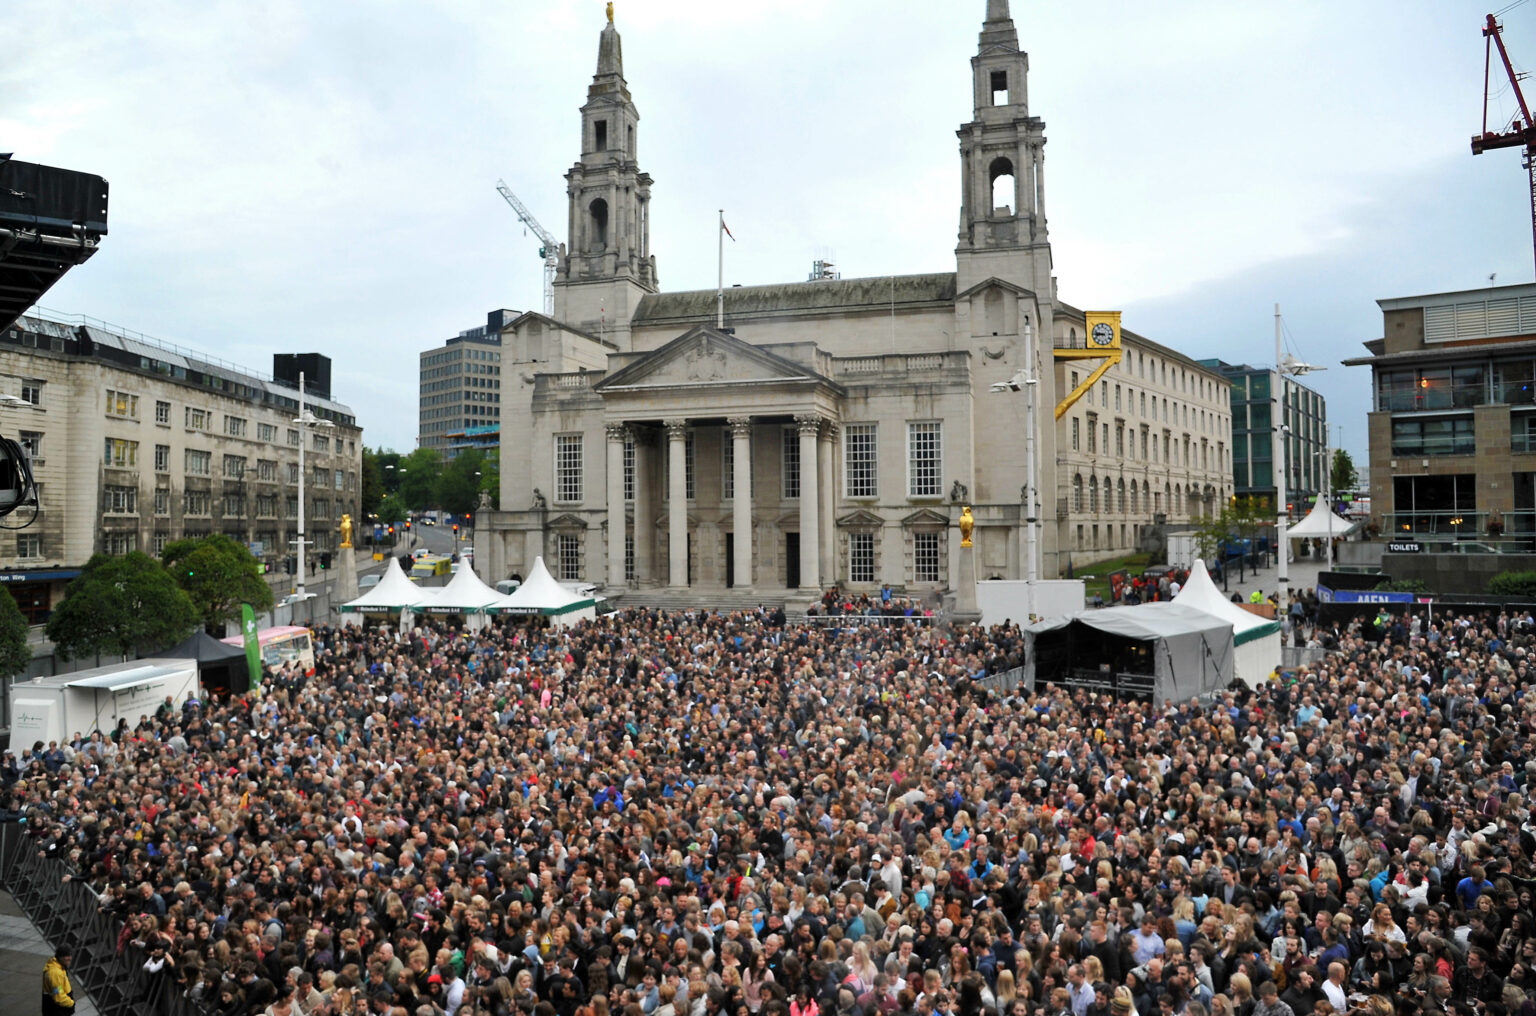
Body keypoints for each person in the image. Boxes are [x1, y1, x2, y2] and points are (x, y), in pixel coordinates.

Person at [42, 946, 74, 1016]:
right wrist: (71, 1003)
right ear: (60, 957)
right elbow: (58, 996)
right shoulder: (55, 973)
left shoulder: (59, 966)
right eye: (67, 956)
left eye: (70, 955)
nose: (70, 958)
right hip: (58, 1009)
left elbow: (59, 988)